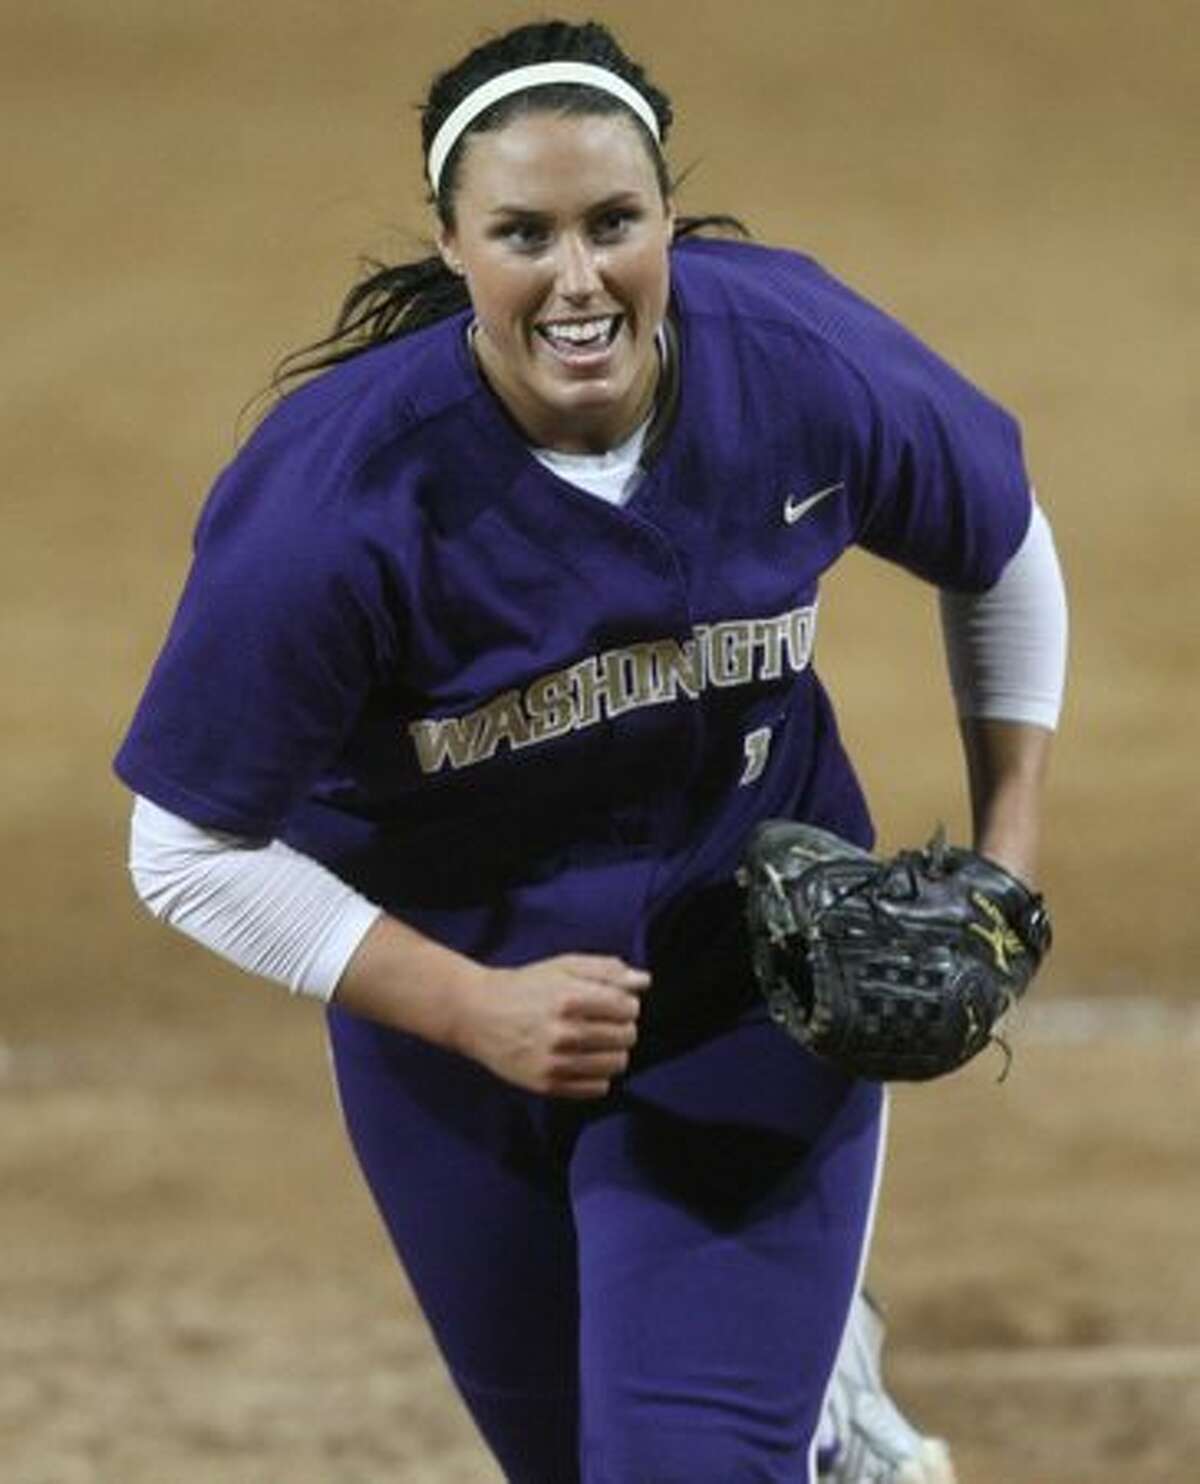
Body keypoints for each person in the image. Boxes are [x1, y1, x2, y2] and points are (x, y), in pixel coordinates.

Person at [114, 18, 1067, 1484]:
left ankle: (796, 1408)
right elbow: (182, 846)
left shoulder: (789, 363)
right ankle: (827, 1417)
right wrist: (468, 1009)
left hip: (755, 982)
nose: (578, 278)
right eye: (523, 233)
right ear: (454, 245)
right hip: (455, 1033)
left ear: (666, 216)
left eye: (615, 222)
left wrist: (1004, 863)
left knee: (676, 1467)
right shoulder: (338, 499)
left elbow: (999, 543)